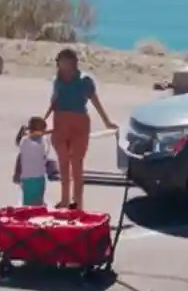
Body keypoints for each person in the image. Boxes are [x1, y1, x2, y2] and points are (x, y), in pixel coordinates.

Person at [43, 48, 116, 209]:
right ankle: (64, 199)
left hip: (79, 123)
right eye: (59, 61)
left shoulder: (84, 80)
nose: (60, 64)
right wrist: (44, 121)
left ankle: (77, 202)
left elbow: (95, 101)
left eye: (62, 60)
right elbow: (53, 101)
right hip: (60, 122)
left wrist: (107, 121)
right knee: (63, 163)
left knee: (76, 164)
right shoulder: (58, 80)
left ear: (71, 62)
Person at [13, 116, 52, 206]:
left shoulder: (28, 141)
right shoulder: (27, 141)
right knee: (31, 203)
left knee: (33, 202)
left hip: (33, 178)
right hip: (32, 178)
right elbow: (20, 156)